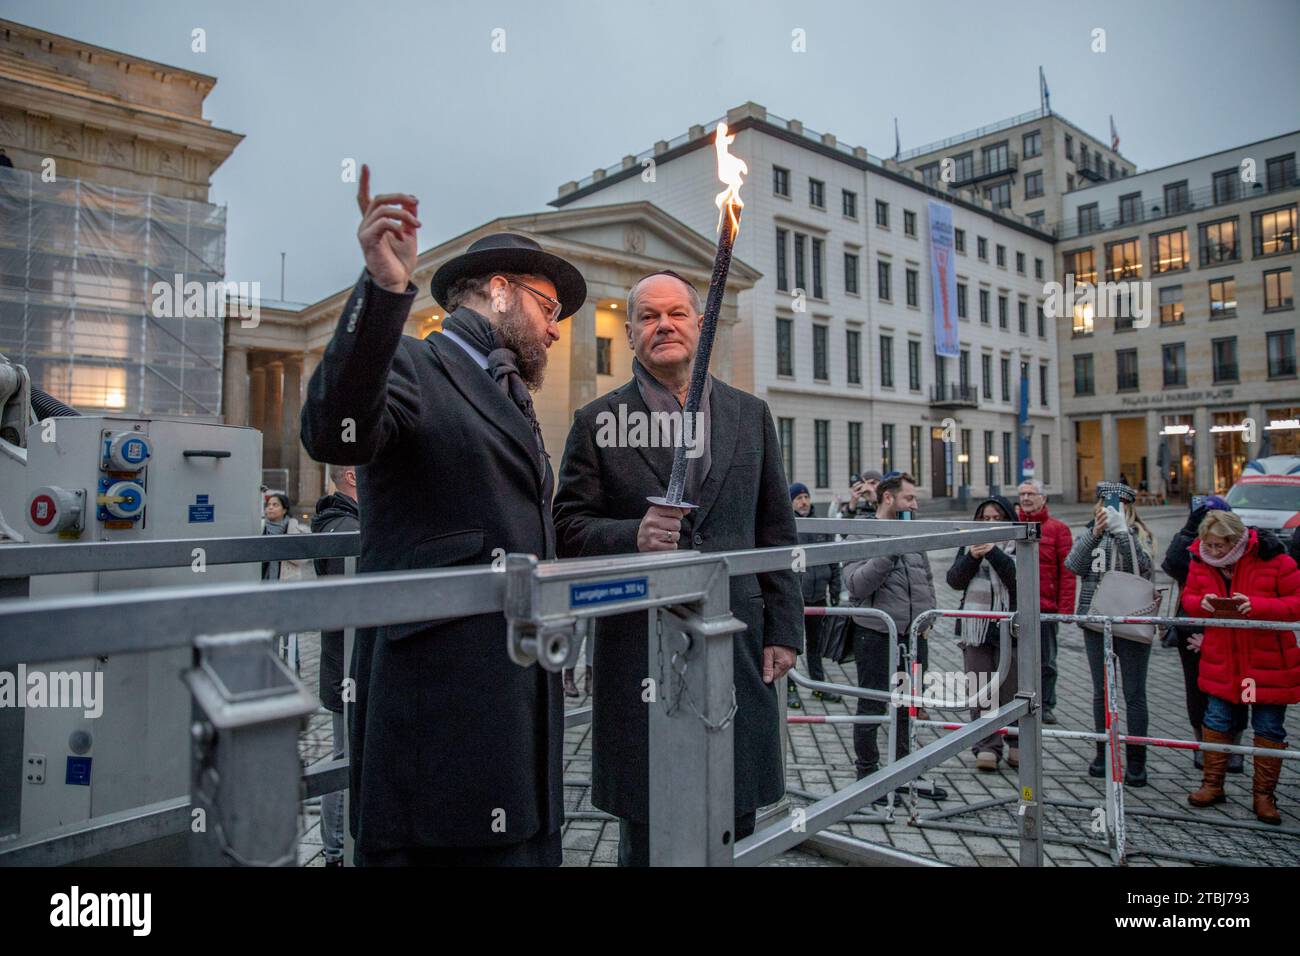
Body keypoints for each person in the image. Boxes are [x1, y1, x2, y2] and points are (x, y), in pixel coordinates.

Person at [300, 164, 587, 866]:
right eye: (548, 309)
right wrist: (384, 291)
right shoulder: (412, 363)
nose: (554, 331)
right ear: (498, 292)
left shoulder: (509, 391)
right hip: (440, 718)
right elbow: (334, 430)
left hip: (519, 701)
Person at [553, 269, 802, 866]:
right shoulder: (597, 421)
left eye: (676, 313)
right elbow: (566, 527)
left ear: (700, 323)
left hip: (736, 641)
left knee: (735, 805)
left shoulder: (749, 414)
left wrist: (786, 630)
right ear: (633, 332)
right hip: (639, 645)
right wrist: (630, 535)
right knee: (649, 813)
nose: (663, 325)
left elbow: (776, 529)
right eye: (647, 316)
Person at [1182, 510, 1300, 824]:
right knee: (1217, 720)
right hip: (1223, 660)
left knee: (1268, 727)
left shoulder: (1277, 561)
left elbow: (1296, 602)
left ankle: (1264, 796)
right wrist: (1201, 603)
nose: (1215, 552)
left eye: (1221, 545)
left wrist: (1259, 607)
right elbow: (1189, 597)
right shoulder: (1200, 560)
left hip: (1266, 663)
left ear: (1237, 541)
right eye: (1210, 544)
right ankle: (1212, 784)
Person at [843, 473, 947, 800]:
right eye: (909, 499)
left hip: (913, 637)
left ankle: (902, 772)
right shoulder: (861, 532)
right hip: (876, 635)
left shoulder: (913, 531)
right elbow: (856, 585)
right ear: (888, 499)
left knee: (907, 707)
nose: (914, 505)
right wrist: (890, 551)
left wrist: (929, 614)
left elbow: (926, 577)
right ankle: (868, 775)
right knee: (872, 704)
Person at [1066, 481, 1156, 787]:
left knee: (1134, 693)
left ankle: (1136, 760)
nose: (1107, 510)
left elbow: (1140, 570)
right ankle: (1103, 752)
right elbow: (1073, 565)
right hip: (1096, 621)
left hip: (1131, 622)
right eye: (1103, 504)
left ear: (1127, 507)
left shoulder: (1140, 535)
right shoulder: (1091, 533)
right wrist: (1095, 534)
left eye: (1115, 505)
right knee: (1101, 692)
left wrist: (1123, 533)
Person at [1161, 495, 1246, 771]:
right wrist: (1189, 529)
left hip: (1234, 633)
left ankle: (1235, 745)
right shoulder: (1194, 549)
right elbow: (1173, 565)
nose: (1214, 548)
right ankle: (1202, 745)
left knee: (1238, 689)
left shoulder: (1243, 552)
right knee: (1196, 689)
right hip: (1193, 629)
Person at [946, 496, 1019, 771]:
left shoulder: (1018, 543)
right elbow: (954, 580)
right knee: (980, 686)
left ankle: (1017, 742)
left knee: (1012, 687)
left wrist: (993, 552)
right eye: (985, 519)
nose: (990, 524)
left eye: (996, 518)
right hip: (975, 626)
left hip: (1009, 625)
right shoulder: (970, 542)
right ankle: (987, 744)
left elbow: (1017, 578)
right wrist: (972, 557)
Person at [311, 464, 360, 868]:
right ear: (352, 476)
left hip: (344, 662)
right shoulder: (346, 527)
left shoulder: (340, 520)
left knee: (347, 754)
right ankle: (336, 852)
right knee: (346, 759)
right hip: (347, 666)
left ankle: (339, 849)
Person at [1015, 479, 1074, 726]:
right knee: (1016, 659)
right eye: (1023, 494)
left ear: (1043, 498)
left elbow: (1068, 572)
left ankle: (1046, 704)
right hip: (1016, 606)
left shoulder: (1058, 529)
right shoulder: (1012, 526)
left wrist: (1065, 610)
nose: (1026, 498)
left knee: (1046, 661)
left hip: (1045, 607)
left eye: (1032, 494)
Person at [791, 481, 843, 708]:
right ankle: (790, 688)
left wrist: (835, 589)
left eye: (806, 497)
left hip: (818, 595)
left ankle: (818, 686)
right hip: (795, 598)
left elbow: (831, 560)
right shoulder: (789, 526)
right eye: (798, 498)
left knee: (815, 645)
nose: (803, 502)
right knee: (790, 643)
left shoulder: (820, 525)